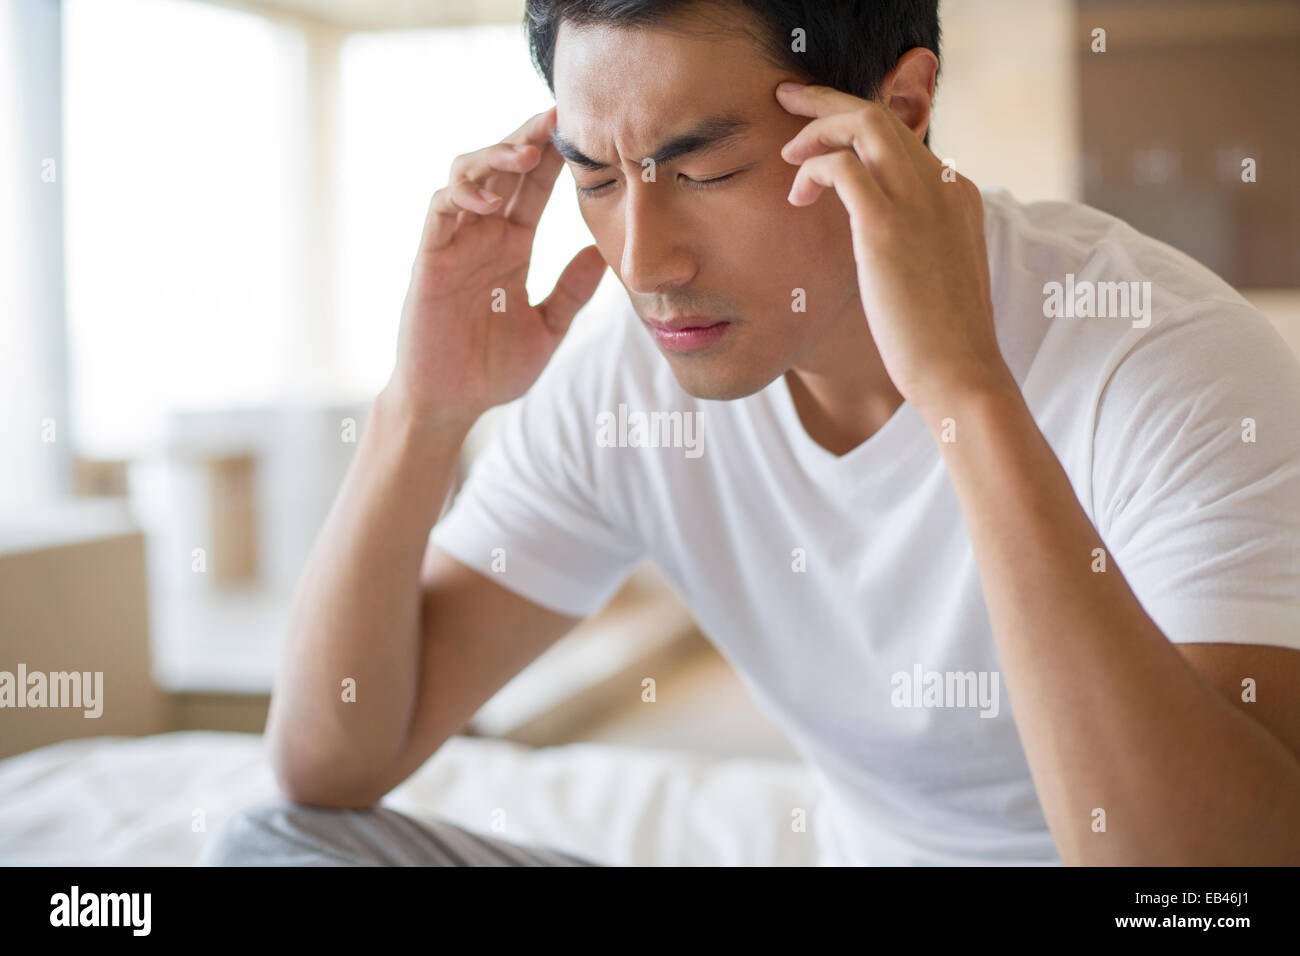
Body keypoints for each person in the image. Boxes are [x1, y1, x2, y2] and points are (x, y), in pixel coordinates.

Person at [202, 0, 1300, 867]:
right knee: (275, 850)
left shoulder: (1160, 357)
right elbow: (326, 760)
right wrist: (420, 410)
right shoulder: (627, 386)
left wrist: (964, 394)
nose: (644, 263)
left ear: (901, 111)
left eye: (705, 169)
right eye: (595, 176)